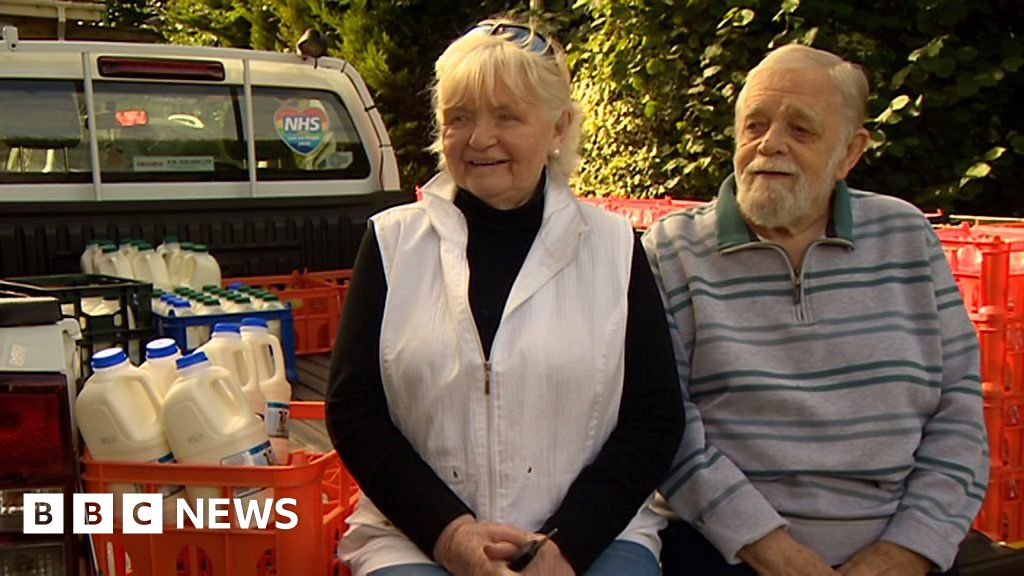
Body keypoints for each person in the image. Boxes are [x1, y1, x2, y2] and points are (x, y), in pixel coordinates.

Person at [327, 18, 684, 576]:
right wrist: (452, 536)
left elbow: (654, 417)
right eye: (460, 118)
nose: (479, 138)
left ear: (558, 126)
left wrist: (565, 547)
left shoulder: (614, 247)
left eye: (507, 116)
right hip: (416, 534)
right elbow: (355, 412)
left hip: (593, 536)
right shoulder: (393, 242)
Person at [644, 44, 988, 576]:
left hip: (896, 544)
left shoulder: (906, 236)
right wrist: (777, 555)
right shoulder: (673, 250)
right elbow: (666, 428)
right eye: (754, 125)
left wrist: (904, 552)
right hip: (726, 548)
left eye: (800, 130)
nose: (770, 145)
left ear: (849, 153)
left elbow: (959, 415)